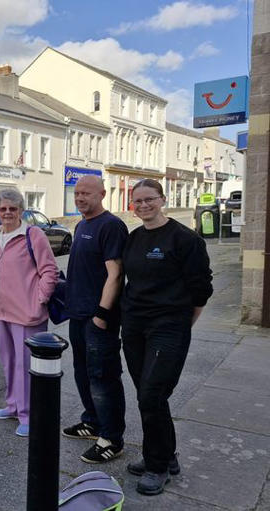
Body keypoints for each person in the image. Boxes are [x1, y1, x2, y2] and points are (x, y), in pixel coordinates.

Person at [121, 179, 212, 496]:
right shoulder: (133, 239)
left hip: (169, 327)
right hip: (134, 326)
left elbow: (201, 289)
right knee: (149, 395)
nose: (143, 205)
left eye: (149, 199)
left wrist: (182, 324)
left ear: (163, 200)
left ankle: (157, 467)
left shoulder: (184, 239)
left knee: (152, 395)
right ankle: (165, 454)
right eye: (138, 201)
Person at [0, 188, 58, 437]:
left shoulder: (33, 236)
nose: (8, 213)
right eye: (3, 209)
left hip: (27, 313)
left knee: (26, 366)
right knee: (9, 362)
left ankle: (28, 414)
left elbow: (49, 271)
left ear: (21, 211)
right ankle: (13, 405)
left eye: (13, 209)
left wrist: (39, 300)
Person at [63, 175, 128, 464]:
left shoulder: (111, 226)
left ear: (102, 194)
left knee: (103, 377)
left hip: (97, 318)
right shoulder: (81, 225)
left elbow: (115, 274)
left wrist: (101, 315)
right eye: (77, 193)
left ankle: (112, 438)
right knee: (82, 371)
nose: (80, 198)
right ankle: (92, 422)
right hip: (77, 315)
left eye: (86, 193)